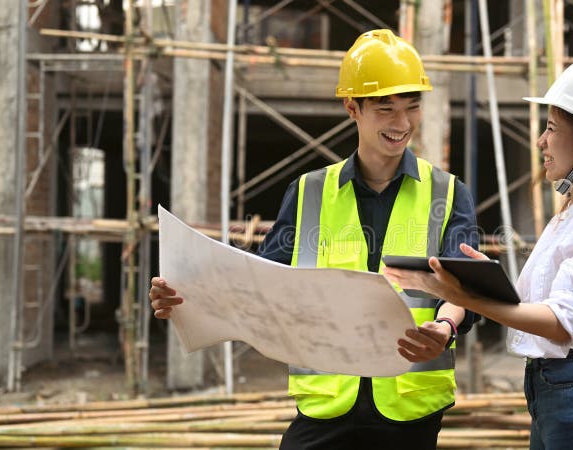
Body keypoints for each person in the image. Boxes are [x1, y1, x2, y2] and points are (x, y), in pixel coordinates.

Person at [150, 29, 479, 450]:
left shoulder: (448, 193)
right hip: (327, 405)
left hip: (410, 407)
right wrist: (183, 295)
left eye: (412, 107)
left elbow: (462, 281)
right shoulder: (308, 193)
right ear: (352, 108)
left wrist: (446, 325)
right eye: (386, 109)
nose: (402, 123)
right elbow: (257, 285)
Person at [384, 58, 573, 449]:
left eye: (551, 129)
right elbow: (551, 307)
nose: (541, 141)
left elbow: (561, 324)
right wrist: (484, 283)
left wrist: (465, 298)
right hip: (562, 395)